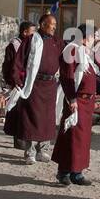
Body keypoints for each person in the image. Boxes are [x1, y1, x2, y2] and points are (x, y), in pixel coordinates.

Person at [52, 29, 100, 186]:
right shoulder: (71, 50)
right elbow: (67, 77)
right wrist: (72, 98)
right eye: (93, 36)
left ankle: (77, 172)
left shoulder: (85, 52)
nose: (94, 39)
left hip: (87, 103)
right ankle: (64, 172)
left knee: (83, 139)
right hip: (76, 100)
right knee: (71, 137)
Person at [15, 12, 64, 163]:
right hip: (34, 84)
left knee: (47, 119)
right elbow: (19, 61)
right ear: (43, 25)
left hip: (50, 85)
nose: (54, 27)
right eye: (52, 24)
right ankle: (29, 152)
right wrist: (17, 79)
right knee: (31, 117)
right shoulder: (31, 40)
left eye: (55, 25)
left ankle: (43, 150)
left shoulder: (57, 41)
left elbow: (67, 57)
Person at [2, 22, 35, 150]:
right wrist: (12, 82)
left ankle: (26, 137)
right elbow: (8, 66)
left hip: (29, 83)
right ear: (24, 32)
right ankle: (18, 139)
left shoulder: (32, 45)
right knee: (17, 112)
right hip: (17, 84)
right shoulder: (14, 46)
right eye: (32, 32)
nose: (34, 35)